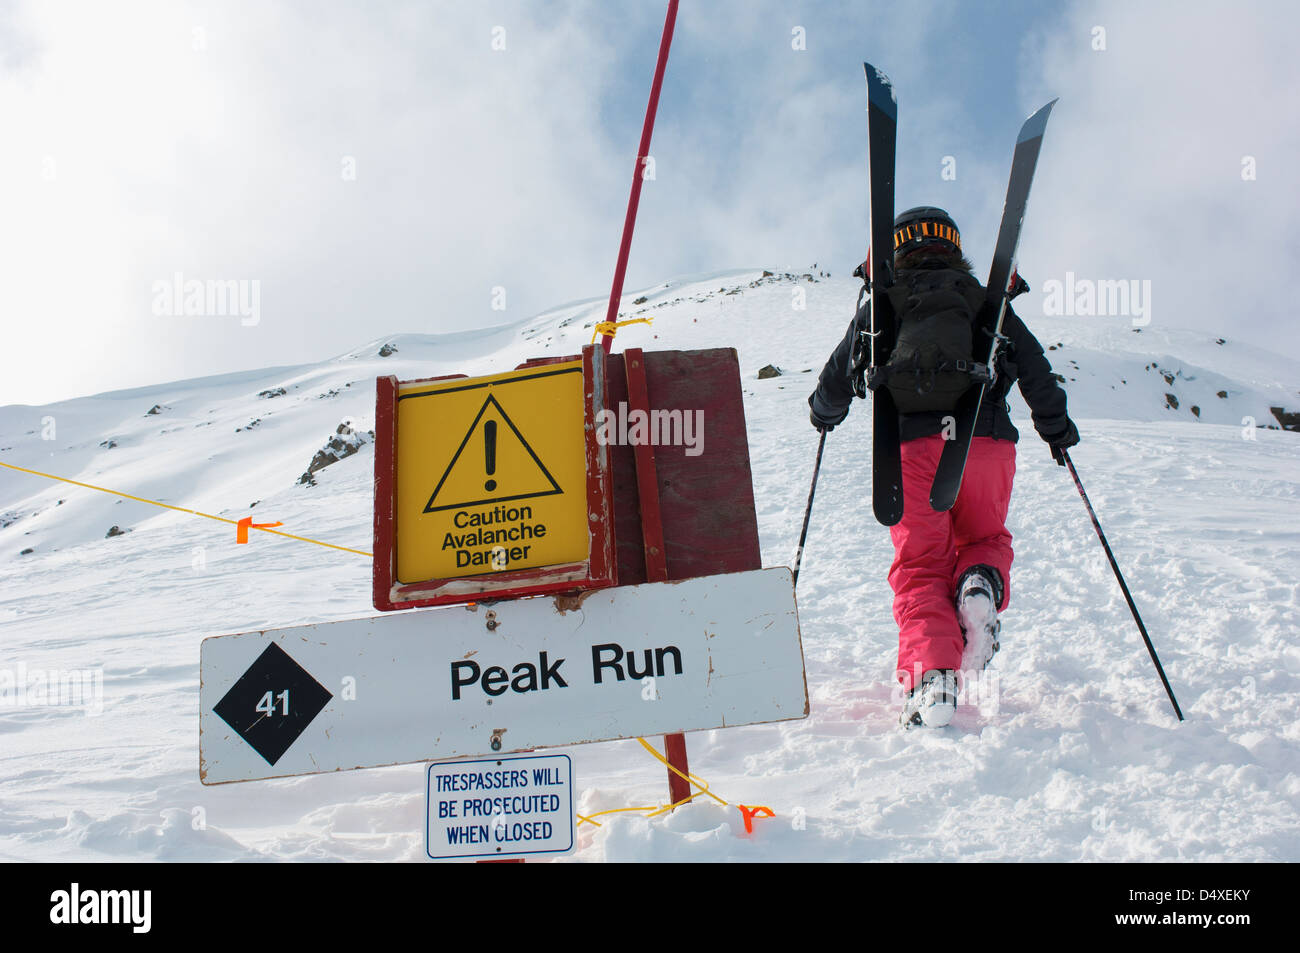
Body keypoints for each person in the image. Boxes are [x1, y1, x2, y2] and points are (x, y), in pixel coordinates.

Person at [808, 206, 1079, 728]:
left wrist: (824, 413)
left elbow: (842, 370)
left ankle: (933, 680)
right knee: (984, 538)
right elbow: (1036, 370)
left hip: (911, 449)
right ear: (953, 245)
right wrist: (1057, 430)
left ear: (896, 249)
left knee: (922, 568)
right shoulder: (986, 300)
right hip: (985, 440)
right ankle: (979, 582)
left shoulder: (882, 302)